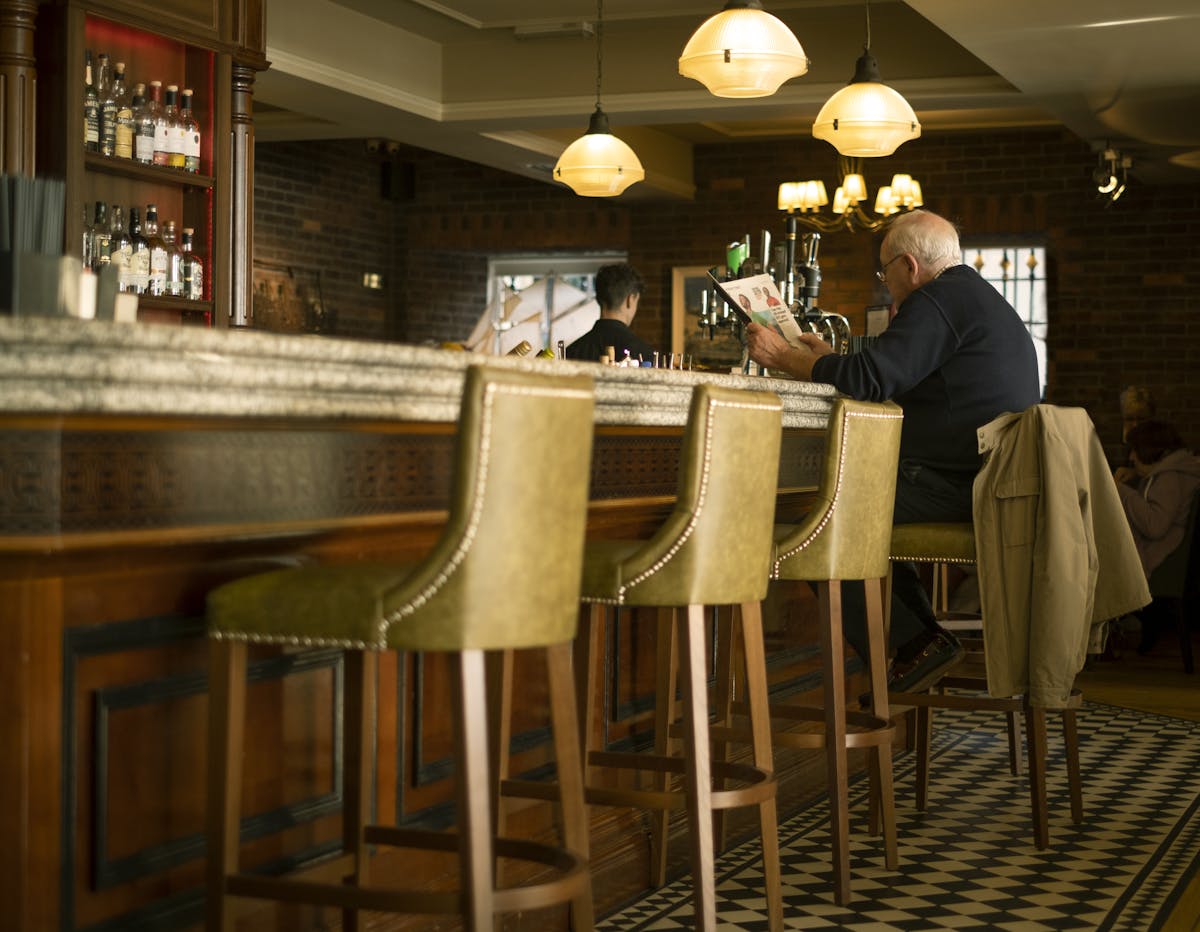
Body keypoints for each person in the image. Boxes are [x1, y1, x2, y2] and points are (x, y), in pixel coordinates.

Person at [746, 209, 1041, 693]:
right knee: (864, 514)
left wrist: (783, 357)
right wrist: (824, 359)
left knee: (816, 518)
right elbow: (887, 370)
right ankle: (921, 641)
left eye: (884, 272)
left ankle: (913, 642)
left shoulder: (937, 299)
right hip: (990, 480)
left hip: (964, 486)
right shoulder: (973, 297)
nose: (885, 283)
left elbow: (868, 380)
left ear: (909, 265)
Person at [1114, 420, 1200, 579]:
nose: (1132, 457)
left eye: (1136, 450)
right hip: (1159, 553)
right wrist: (1136, 474)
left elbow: (1155, 526)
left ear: (1152, 450)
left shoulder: (1169, 477)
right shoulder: (1174, 470)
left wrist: (1120, 490)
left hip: (1153, 558)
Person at [566, 263, 656, 363]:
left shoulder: (571, 352)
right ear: (630, 300)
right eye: (637, 301)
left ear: (598, 299)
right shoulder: (646, 355)